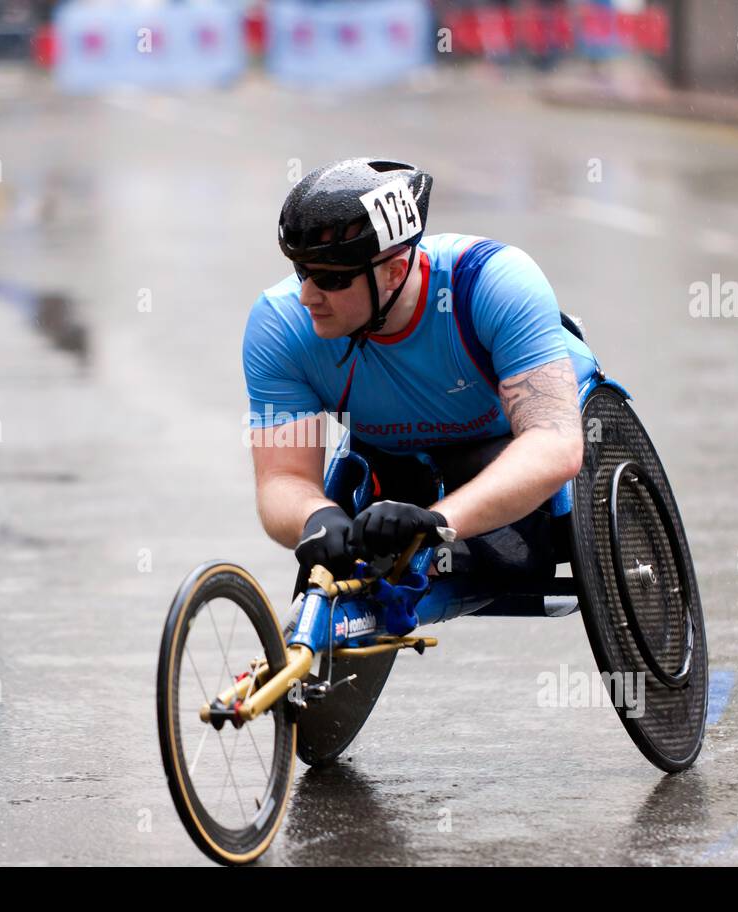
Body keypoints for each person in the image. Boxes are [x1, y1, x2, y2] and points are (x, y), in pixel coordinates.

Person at [243, 157, 598, 596]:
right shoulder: (278, 324)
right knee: (352, 529)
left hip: (509, 444)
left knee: (509, 546)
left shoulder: (493, 281)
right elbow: (282, 479)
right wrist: (314, 515)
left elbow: (555, 445)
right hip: (398, 460)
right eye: (302, 271)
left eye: (331, 279)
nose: (306, 296)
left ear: (394, 271)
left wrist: (438, 521)